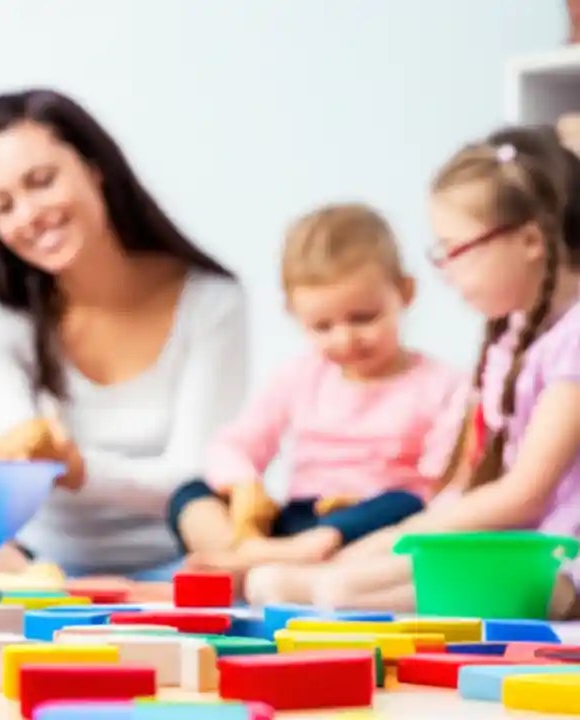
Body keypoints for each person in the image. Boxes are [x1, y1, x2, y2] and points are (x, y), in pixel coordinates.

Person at [245, 125, 580, 619]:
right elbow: (471, 487)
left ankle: (328, 589)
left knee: (339, 588)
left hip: (560, 563)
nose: (444, 271)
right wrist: (389, 545)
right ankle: (330, 585)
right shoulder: (515, 339)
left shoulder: (574, 338)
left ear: (530, 240)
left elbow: (524, 495)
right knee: (286, 581)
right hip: (521, 549)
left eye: (453, 250)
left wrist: (394, 541)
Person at [0, 88, 249, 578]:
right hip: (37, 571)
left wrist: (77, 467)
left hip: (179, 569)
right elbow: (17, 454)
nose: (28, 215)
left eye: (42, 181)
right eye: (3, 205)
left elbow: (192, 480)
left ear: (95, 166)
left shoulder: (211, 303)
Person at [167, 203, 464, 573]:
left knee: (407, 504)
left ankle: (257, 562)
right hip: (297, 520)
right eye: (322, 326)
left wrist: (360, 507)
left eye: (364, 318)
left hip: (367, 523)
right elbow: (232, 446)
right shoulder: (301, 378)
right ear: (294, 313)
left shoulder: (441, 384)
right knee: (191, 494)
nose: (345, 338)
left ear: (405, 292)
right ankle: (247, 556)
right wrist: (244, 485)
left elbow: (445, 484)